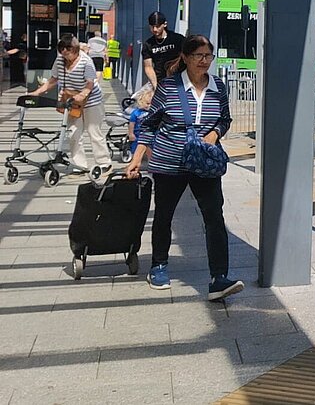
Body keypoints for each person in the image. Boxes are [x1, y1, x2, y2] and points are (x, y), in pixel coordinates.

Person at [126, 34, 242, 301]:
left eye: (208, 56)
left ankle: (219, 278)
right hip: (170, 162)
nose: (204, 61)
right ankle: (158, 266)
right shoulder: (168, 87)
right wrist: (136, 158)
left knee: (214, 217)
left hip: (203, 162)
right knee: (165, 215)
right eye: (199, 56)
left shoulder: (219, 87)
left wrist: (214, 134)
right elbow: (150, 124)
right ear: (187, 58)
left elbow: (225, 118)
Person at [29, 34, 111, 173]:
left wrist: (82, 94)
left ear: (76, 48)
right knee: (74, 133)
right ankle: (80, 164)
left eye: (68, 49)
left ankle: (104, 162)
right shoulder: (60, 60)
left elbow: (90, 83)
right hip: (71, 100)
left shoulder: (86, 61)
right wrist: (36, 93)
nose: (65, 53)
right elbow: (53, 80)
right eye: (62, 49)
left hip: (92, 100)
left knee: (94, 131)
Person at [142, 11, 186, 89]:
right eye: (152, 27)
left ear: (164, 24)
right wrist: (155, 85)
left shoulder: (177, 39)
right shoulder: (148, 44)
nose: (155, 29)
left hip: (180, 79)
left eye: (158, 26)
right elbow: (148, 66)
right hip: (161, 81)